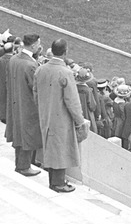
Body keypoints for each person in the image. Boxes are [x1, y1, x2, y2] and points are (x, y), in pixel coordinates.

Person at [34, 38, 88, 193]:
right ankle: (58, 183)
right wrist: (79, 121)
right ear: (65, 52)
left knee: (51, 147)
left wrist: (42, 108)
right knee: (60, 149)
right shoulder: (65, 72)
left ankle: (54, 180)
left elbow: (35, 92)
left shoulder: (41, 69)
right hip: (61, 116)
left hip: (45, 114)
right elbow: (72, 100)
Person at [5, 34, 44, 177]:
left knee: (19, 134)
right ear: (33, 46)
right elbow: (36, 88)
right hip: (28, 104)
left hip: (15, 101)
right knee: (28, 135)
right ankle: (24, 166)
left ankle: (21, 164)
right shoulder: (31, 65)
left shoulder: (14, 59)